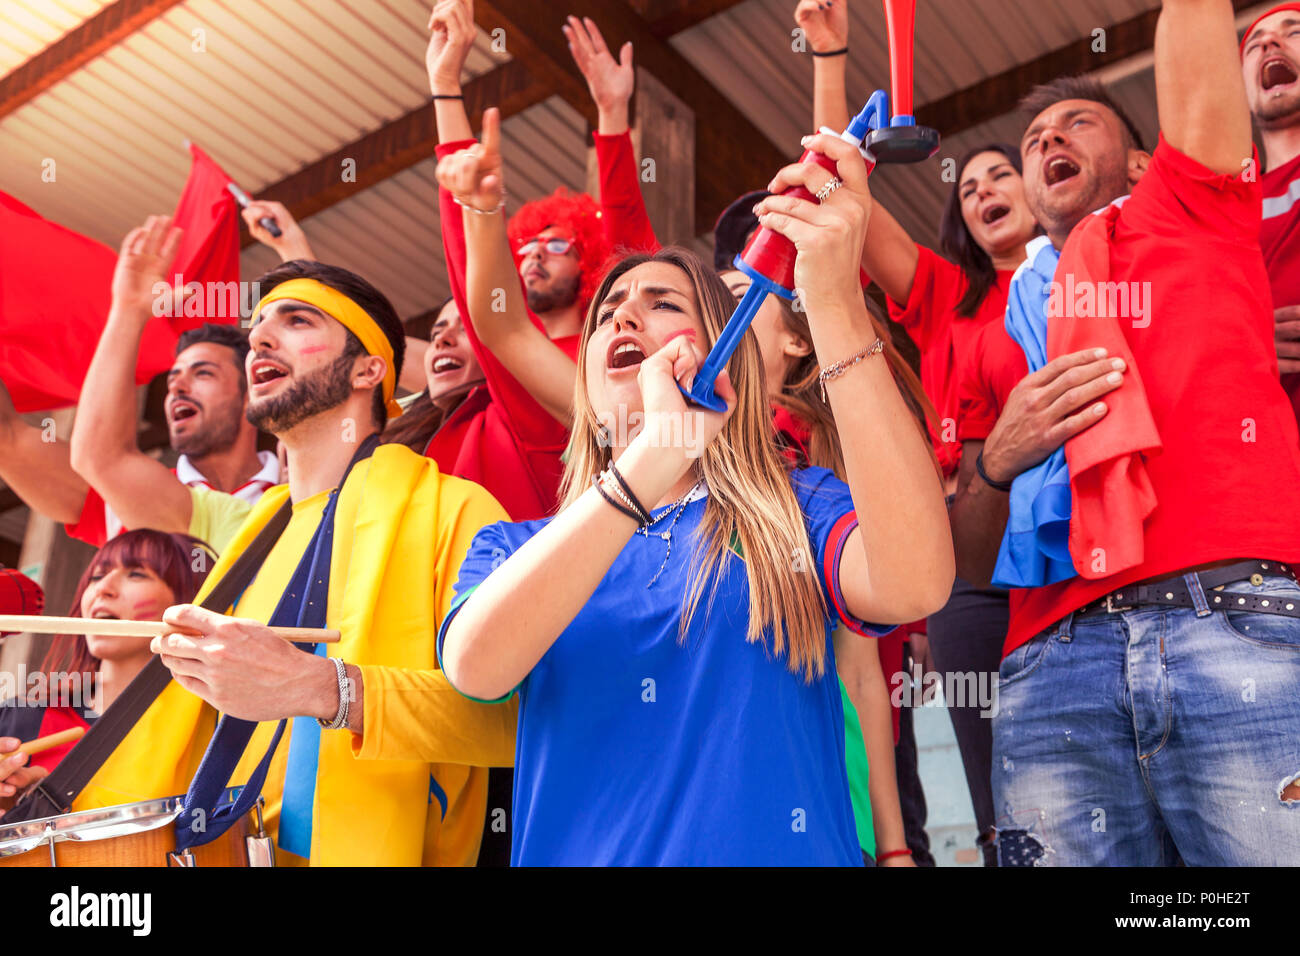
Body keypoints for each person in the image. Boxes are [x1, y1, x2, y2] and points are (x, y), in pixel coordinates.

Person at [285, 130, 952, 865]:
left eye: (662, 303)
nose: (624, 317)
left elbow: (916, 583)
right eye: (607, 314)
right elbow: (475, 667)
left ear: (724, 352)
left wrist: (835, 306)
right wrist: (648, 466)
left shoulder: (798, 507)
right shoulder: (513, 544)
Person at [951, 0, 1300, 866]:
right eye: (1033, 139)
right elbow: (963, 566)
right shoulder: (1000, 336)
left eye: (1076, 123)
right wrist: (998, 462)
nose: (1046, 140)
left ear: (1144, 159)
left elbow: (1194, 33)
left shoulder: (1194, 205)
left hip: (1230, 612)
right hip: (1048, 656)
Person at [137, 225, 516, 865]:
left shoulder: (459, 510)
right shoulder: (253, 537)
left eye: (296, 320)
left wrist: (324, 689)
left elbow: (515, 722)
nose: (259, 338)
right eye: (258, 326)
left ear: (370, 369)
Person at [721, 268, 924, 866]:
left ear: (798, 340)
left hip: (828, 795)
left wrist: (894, 849)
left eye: (740, 296)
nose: (720, 310)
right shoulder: (657, 463)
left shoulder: (818, 478)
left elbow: (860, 672)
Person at [430, 1, 658, 434]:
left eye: (556, 245)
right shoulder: (493, 360)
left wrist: (612, 114)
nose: (535, 254)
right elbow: (471, 254)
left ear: (591, 262)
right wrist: (443, 83)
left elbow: (634, 251)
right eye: (526, 247)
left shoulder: (610, 360)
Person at [0, 321, 279, 552]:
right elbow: (7, 439)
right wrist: (128, 310)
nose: (177, 387)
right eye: (172, 380)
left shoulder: (293, 495)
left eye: (203, 373)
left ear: (251, 395)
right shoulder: (121, 489)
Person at [0, 530, 214, 817]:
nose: (104, 588)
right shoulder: (20, 716)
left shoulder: (215, 726)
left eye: (137, 574)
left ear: (189, 607)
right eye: (96, 576)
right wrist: (17, 812)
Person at [1241, 3, 1300, 428]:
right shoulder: (1219, 208)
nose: (1270, 43)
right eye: (1253, 46)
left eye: (1294, 32)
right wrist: (1249, 343)